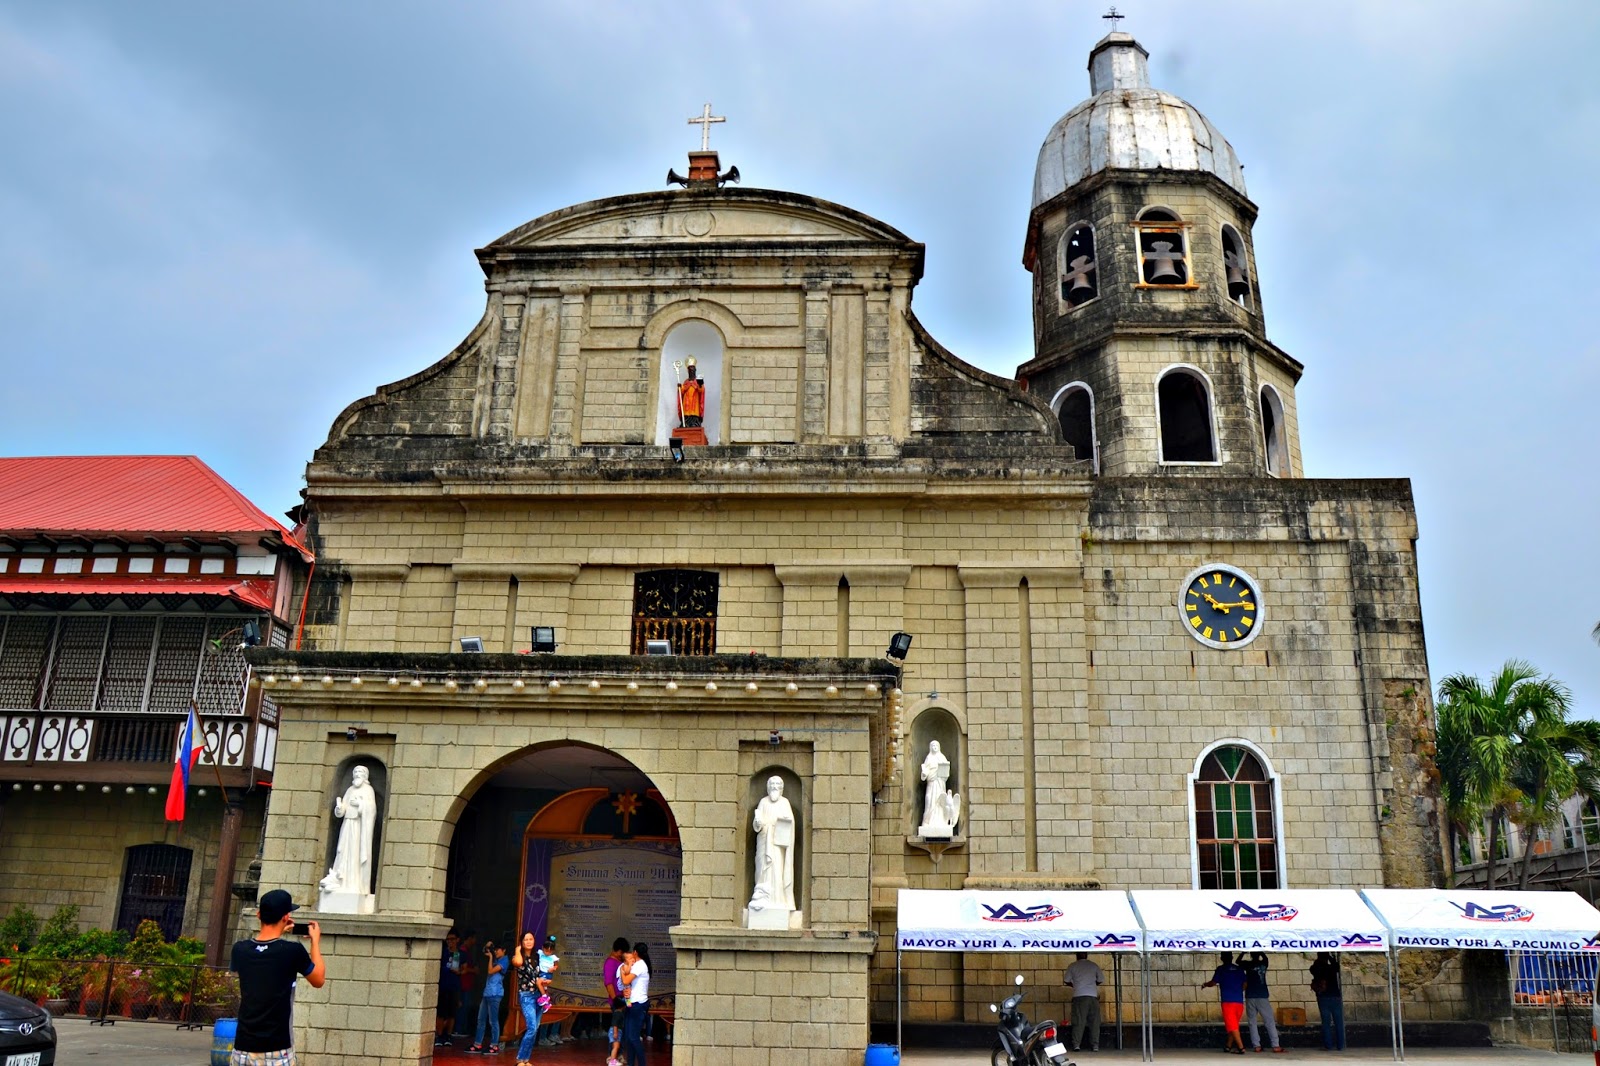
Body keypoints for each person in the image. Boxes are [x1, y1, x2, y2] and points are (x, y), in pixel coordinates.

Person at [229, 888, 326, 1066]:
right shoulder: (292, 951)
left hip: (243, 1047)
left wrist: (279, 931)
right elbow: (318, 979)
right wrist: (315, 942)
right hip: (277, 1049)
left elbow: (264, 957)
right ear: (286, 917)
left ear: (259, 915)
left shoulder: (239, 950)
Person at [320, 764, 377, 895]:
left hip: (359, 827)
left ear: (365, 775)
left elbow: (371, 809)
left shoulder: (368, 790)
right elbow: (342, 810)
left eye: (360, 772)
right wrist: (340, 808)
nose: (357, 774)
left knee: (355, 854)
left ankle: (354, 884)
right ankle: (340, 881)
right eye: (355, 772)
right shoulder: (350, 790)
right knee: (342, 851)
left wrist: (360, 805)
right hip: (347, 825)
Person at [748, 775, 796, 911]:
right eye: (772, 785)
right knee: (762, 868)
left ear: (781, 788)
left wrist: (784, 821)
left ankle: (778, 899)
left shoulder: (785, 803)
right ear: (768, 788)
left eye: (777, 785)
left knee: (777, 869)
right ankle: (761, 898)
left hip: (777, 843)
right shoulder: (763, 802)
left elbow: (791, 823)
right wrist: (758, 822)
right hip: (764, 839)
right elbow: (757, 824)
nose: (774, 787)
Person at [511, 931, 549, 1066]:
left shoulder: (538, 957)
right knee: (532, 1027)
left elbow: (544, 972)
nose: (528, 941)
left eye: (531, 939)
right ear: (521, 942)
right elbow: (518, 963)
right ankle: (519, 1059)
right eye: (525, 939)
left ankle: (526, 1060)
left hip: (539, 995)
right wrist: (518, 949)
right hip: (527, 995)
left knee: (535, 1028)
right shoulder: (518, 956)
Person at [1202, 951, 1247, 1055]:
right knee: (1234, 1024)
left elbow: (1213, 982)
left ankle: (1241, 1048)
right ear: (1232, 957)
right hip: (1239, 1002)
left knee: (1233, 1026)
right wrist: (1237, 991)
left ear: (1221, 958)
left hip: (1228, 1002)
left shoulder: (1221, 969)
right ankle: (1228, 1046)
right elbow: (1245, 984)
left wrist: (1205, 984)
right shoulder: (1239, 969)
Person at [467, 938, 507, 1054]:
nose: (496, 952)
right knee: (481, 1019)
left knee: (493, 1021)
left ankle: (494, 1045)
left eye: (498, 950)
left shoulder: (504, 960)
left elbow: (490, 971)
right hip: (487, 993)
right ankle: (477, 1044)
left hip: (495, 994)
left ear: (504, 950)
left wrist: (490, 958)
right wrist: (488, 946)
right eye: (495, 950)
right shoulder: (496, 958)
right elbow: (484, 951)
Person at [1241, 951, 1282, 1053]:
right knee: (1269, 1021)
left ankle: (1257, 1046)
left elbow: (1238, 962)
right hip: (1262, 996)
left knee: (1252, 1022)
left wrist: (1243, 952)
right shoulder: (1263, 964)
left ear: (1251, 955)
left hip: (1250, 996)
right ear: (1259, 955)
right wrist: (1261, 951)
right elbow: (1266, 958)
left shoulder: (1248, 964)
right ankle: (1275, 1045)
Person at [1063, 951, 1103, 1053]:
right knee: (1094, 1022)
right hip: (1093, 996)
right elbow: (1100, 979)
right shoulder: (1094, 965)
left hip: (1079, 996)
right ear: (1086, 955)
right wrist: (1092, 984)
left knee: (1079, 1022)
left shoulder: (1073, 966)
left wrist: (1075, 985)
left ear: (1076, 955)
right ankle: (1095, 1045)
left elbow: (1066, 980)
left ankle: (1076, 1045)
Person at [620, 942, 651, 1066]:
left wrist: (622, 970)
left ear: (635, 952)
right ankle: (630, 1063)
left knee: (633, 1037)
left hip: (638, 1004)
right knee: (628, 1037)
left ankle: (642, 1063)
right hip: (632, 1003)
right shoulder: (636, 965)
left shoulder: (640, 965)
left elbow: (626, 980)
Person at [1310, 951, 1345, 1051]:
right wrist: (1331, 957)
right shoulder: (1331, 968)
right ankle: (1340, 1045)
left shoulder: (1316, 968)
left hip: (1323, 997)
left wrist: (1319, 960)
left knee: (1326, 1023)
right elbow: (1337, 967)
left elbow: (1312, 968)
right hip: (1335, 996)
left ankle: (1328, 1045)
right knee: (1339, 1022)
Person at [602, 938, 629, 1066]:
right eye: (622, 953)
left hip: (624, 999)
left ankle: (619, 1054)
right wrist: (615, 999)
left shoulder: (619, 962)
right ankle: (611, 1056)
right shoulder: (610, 963)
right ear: (619, 951)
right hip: (617, 1000)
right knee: (616, 1028)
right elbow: (608, 983)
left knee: (622, 1028)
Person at [535, 933, 565, 1046]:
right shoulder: (540, 953)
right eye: (546, 950)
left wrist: (554, 968)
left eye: (550, 951)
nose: (547, 952)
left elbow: (556, 965)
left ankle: (544, 997)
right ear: (543, 948)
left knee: (540, 983)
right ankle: (546, 1001)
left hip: (547, 974)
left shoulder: (553, 957)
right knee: (542, 985)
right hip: (541, 972)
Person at [918, 740, 953, 835]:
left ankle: (941, 822)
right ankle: (927, 822)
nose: (934, 747)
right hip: (931, 783)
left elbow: (946, 771)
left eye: (936, 745)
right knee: (929, 800)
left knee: (940, 802)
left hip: (940, 783)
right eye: (933, 746)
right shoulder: (928, 758)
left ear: (939, 747)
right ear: (930, 747)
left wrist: (943, 773)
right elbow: (925, 773)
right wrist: (924, 773)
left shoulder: (942, 757)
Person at [436, 930, 463, 1047]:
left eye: (452, 939)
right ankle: (439, 1035)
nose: (450, 942)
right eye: (448, 939)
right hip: (443, 986)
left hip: (454, 986)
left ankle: (448, 1035)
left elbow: (465, 968)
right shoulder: (443, 953)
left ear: (457, 940)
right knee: (441, 1013)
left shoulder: (459, 954)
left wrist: (460, 971)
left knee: (452, 1013)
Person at [677, 358, 705, 428]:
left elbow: (701, 390)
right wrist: (680, 387)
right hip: (686, 402)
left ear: (695, 370)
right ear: (688, 371)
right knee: (686, 414)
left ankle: (695, 423)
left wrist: (700, 385)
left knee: (694, 414)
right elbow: (682, 391)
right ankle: (685, 423)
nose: (691, 371)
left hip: (695, 402)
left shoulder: (698, 380)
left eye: (693, 370)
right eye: (690, 370)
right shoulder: (686, 382)